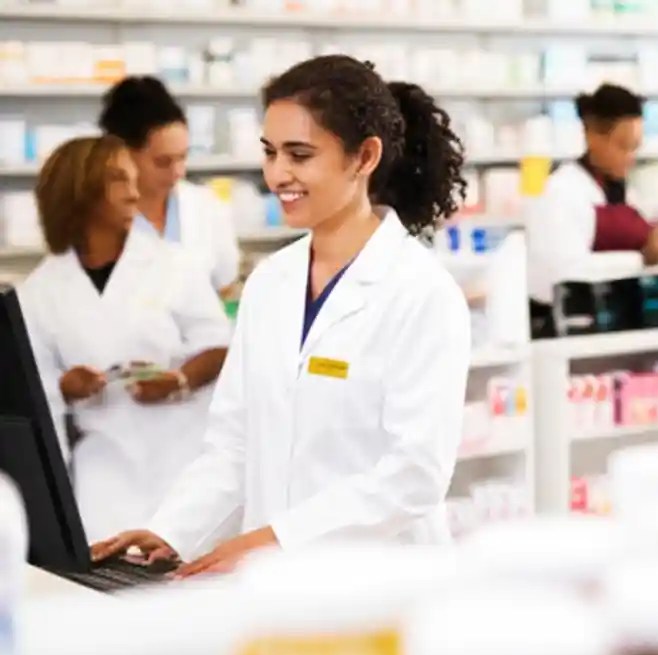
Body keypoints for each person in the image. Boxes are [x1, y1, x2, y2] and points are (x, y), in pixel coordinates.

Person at [90, 55, 471, 576]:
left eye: (300, 154)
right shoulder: (271, 282)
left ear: (364, 157)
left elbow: (414, 475)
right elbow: (232, 444)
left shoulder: (421, 293)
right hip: (278, 588)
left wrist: (275, 539)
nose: (278, 174)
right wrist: (170, 529)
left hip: (380, 587)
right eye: (270, 153)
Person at [18, 135, 231, 541]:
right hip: (104, 471)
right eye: (119, 180)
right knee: (106, 586)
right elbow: (30, 391)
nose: (135, 194)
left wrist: (179, 379)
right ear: (80, 191)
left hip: (180, 460)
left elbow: (219, 346)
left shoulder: (174, 265)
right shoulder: (40, 291)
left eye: (134, 179)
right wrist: (66, 388)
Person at [526, 83, 658, 337]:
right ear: (592, 136)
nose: (630, 157)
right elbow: (567, 272)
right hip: (566, 326)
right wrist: (640, 256)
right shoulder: (562, 191)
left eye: (635, 147)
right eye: (623, 146)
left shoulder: (623, 191)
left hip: (614, 320)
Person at [99, 76, 242, 297]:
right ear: (123, 155)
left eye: (183, 157)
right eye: (163, 161)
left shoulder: (206, 207)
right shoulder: (95, 216)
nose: (179, 172)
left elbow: (225, 287)